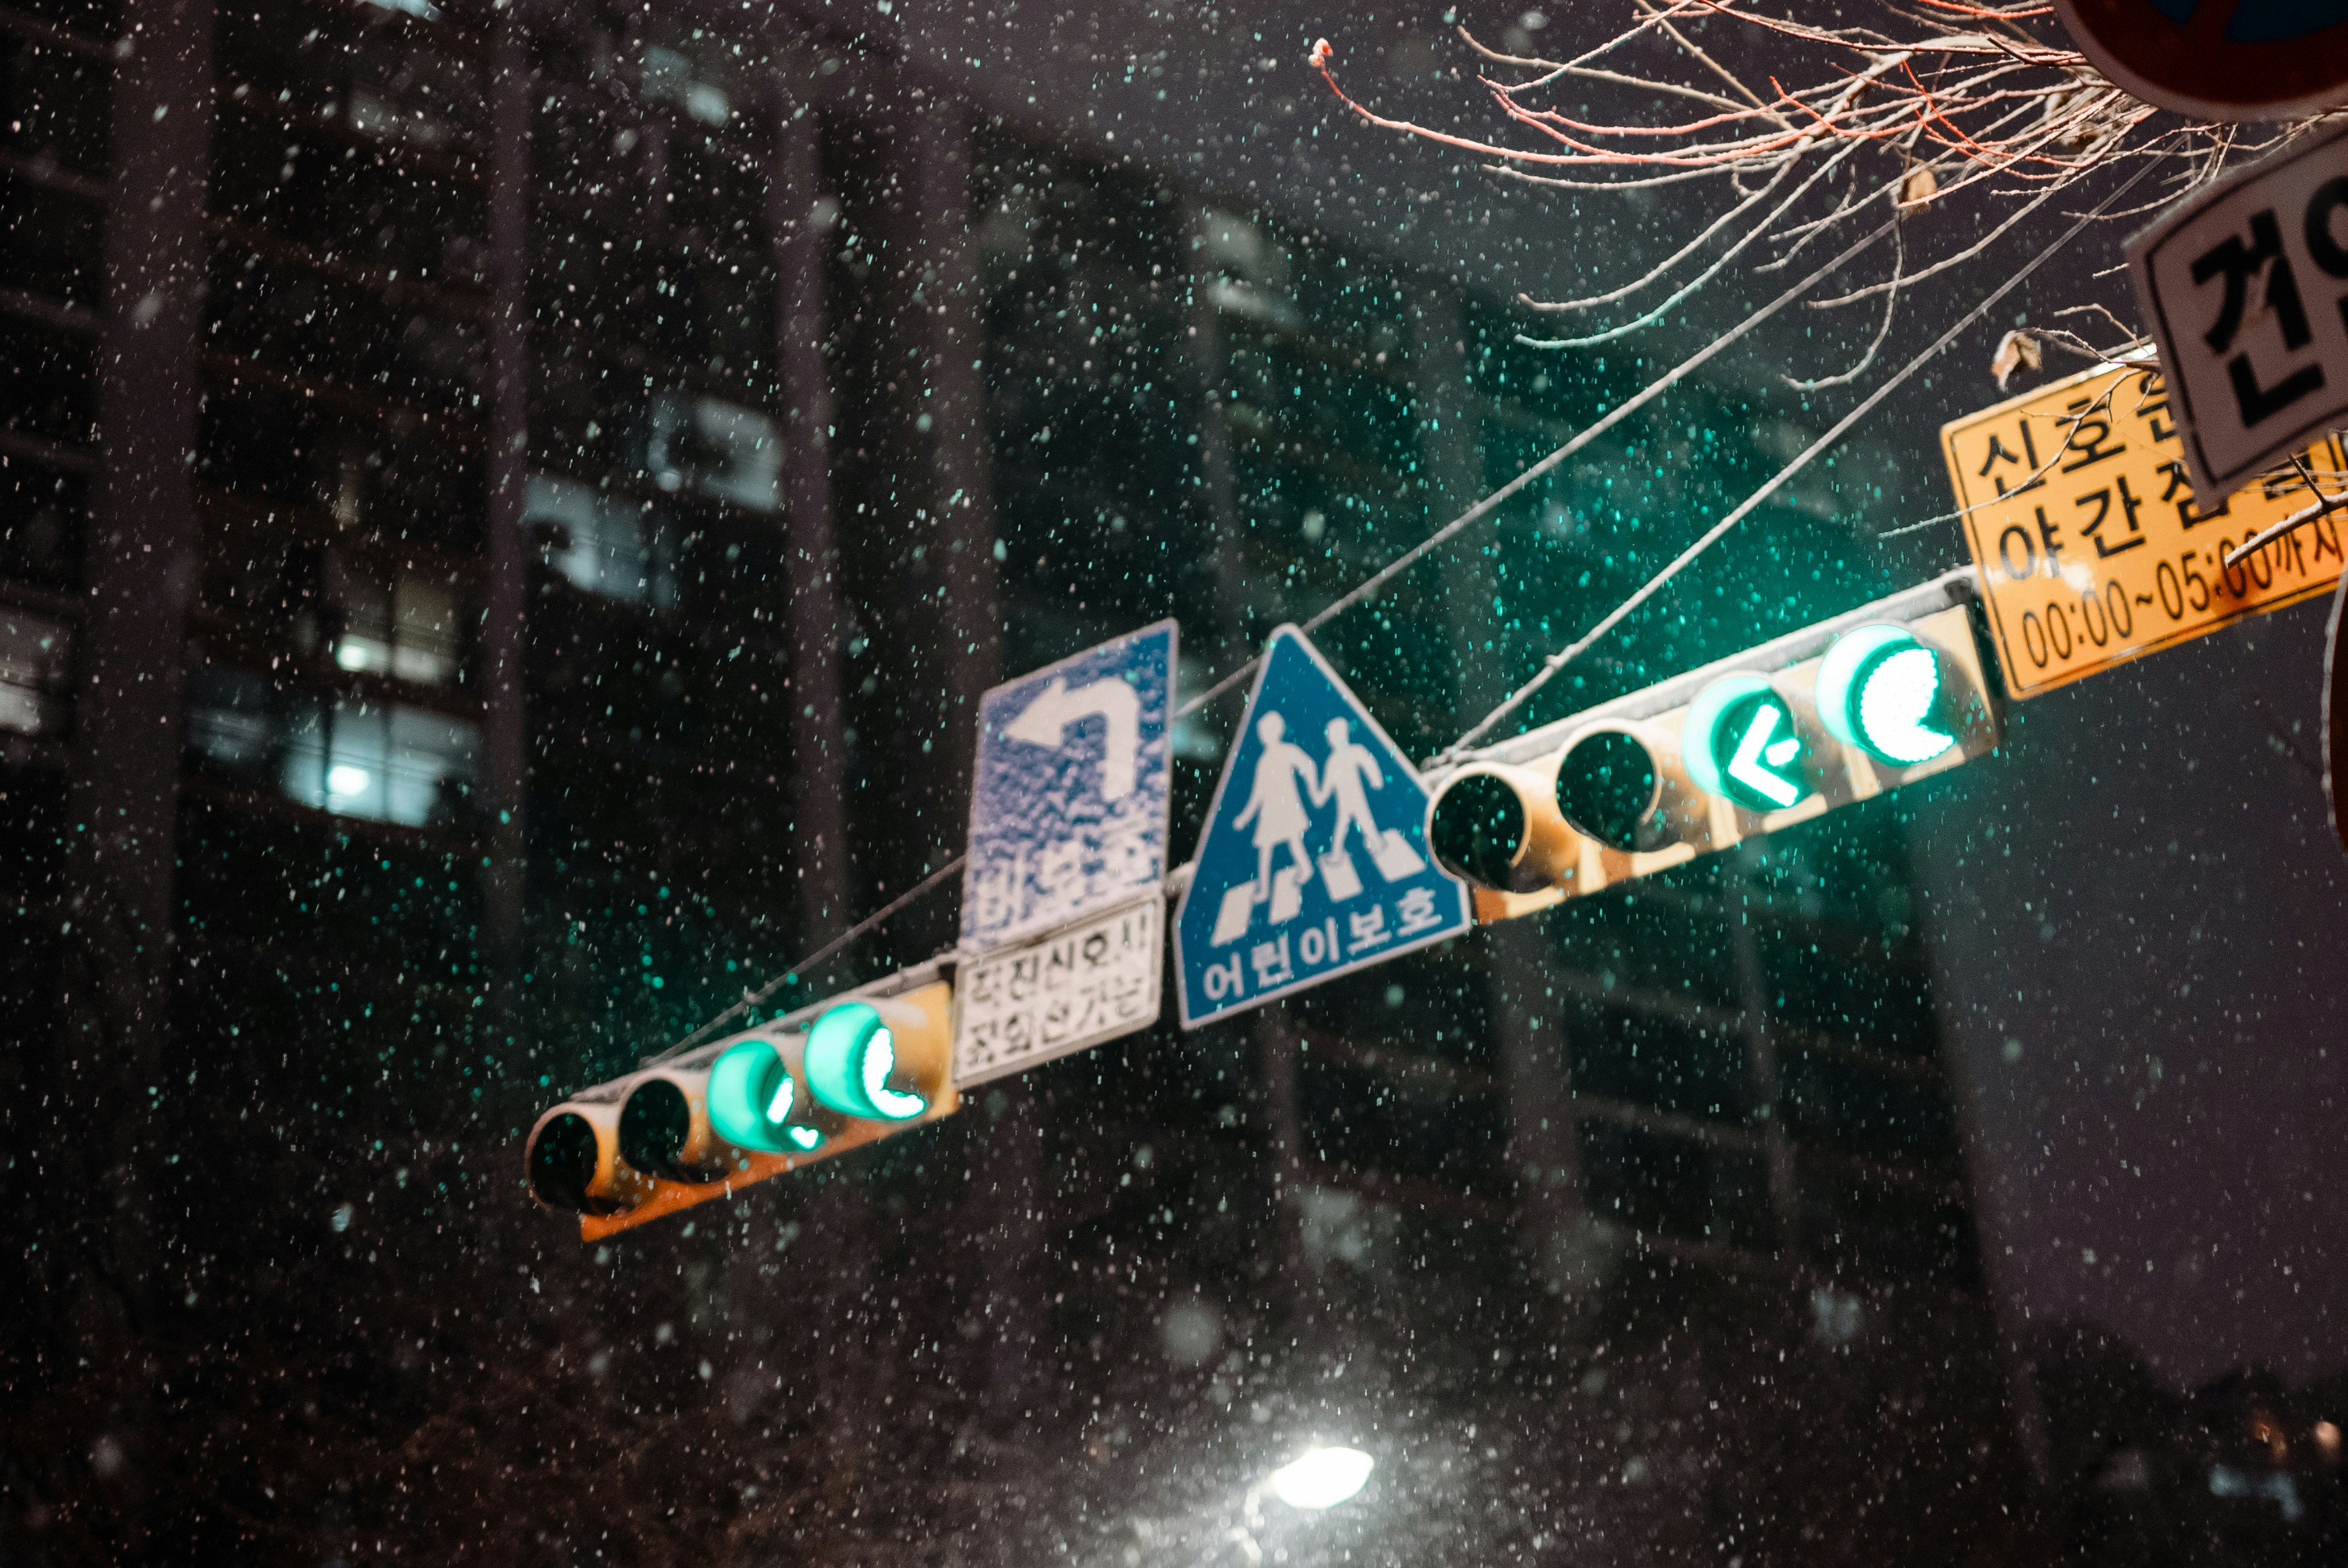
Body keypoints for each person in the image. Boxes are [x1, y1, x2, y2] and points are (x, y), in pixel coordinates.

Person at [1232, 711, 1318, 903]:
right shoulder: (1263, 761)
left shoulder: (1287, 751)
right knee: (1266, 849)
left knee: (1293, 842)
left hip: (1286, 808)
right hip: (1270, 813)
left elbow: (1308, 765)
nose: (1263, 734)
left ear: (1276, 731)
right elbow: (1258, 793)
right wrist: (1245, 817)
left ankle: (1305, 869)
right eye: (1261, 731)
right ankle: (1265, 889)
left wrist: (1313, 790)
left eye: (1266, 730)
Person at [1313, 717, 1385, 858]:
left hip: (1354, 797)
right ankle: (1338, 852)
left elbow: (1369, 765)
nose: (1329, 739)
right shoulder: (1333, 760)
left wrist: (1377, 781)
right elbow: (1328, 784)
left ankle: (1375, 843)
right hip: (1345, 800)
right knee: (1350, 823)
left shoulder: (1352, 752)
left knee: (1356, 822)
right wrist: (1321, 798)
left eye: (1331, 735)